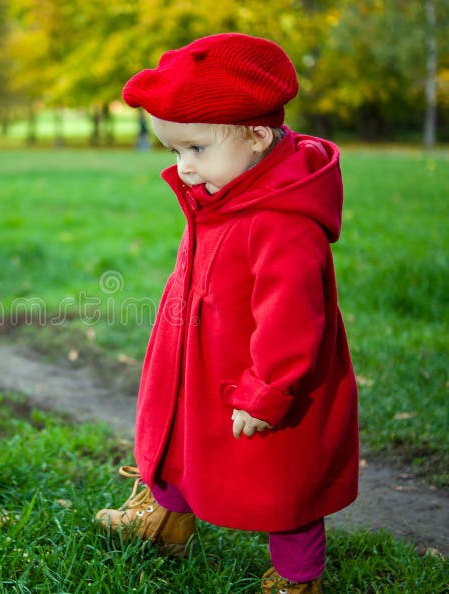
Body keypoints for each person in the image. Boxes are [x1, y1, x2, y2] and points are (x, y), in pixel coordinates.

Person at [95, 33, 359, 594]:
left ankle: (296, 579)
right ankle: (167, 518)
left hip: (261, 374)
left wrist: (267, 391)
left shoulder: (285, 219)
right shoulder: (227, 184)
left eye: (196, 149)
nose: (184, 168)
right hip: (199, 354)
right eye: (173, 151)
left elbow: (293, 318)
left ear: (258, 136)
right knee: (175, 441)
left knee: (281, 480)